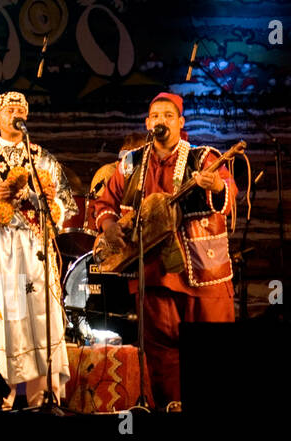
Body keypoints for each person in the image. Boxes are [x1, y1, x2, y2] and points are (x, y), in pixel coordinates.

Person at [90, 92, 235, 410]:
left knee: (211, 352)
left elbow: (229, 192)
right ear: (147, 123)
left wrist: (217, 187)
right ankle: (170, 416)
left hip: (202, 271)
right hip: (154, 272)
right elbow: (103, 203)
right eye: (155, 116)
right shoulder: (131, 164)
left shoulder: (203, 157)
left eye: (168, 115)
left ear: (181, 123)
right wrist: (111, 226)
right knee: (161, 356)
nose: (161, 121)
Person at [0, 92, 73, 408]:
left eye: (20, 109)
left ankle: (43, 398)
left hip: (34, 248)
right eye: (8, 110)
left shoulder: (41, 157)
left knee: (39, 315)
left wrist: (44, 198)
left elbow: (63, 206)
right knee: (1, 318)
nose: (14, 113)